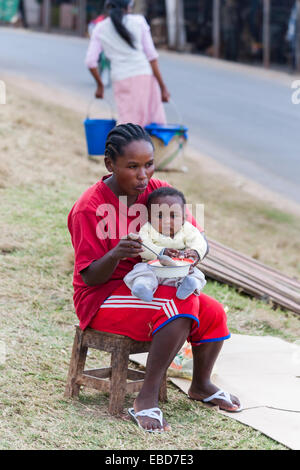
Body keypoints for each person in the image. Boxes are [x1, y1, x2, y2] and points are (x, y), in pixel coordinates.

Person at [68, 123, 242, 433]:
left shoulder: (156, 192)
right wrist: (115, 254)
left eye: (149, 164)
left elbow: (193, 234)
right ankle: (145, 399)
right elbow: (91, 278)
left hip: (155, 285)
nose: (143, 175)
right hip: (102, 298)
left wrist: (194, 254)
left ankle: (201, 384)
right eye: (132, 167)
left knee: (212, 311)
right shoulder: (89, 208)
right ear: (110, 164)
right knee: (181, 306)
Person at [85, 0, 170, 127]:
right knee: (151, 124)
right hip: (144, 76)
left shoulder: (100, 28)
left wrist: (100, 85)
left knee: (127, 126)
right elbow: (152, 57)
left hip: (121, 78)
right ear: (128, 7)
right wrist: (163, 87)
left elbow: (91, 62)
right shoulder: (139, 22)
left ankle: (124, 147)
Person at [123, 186, 207, 302]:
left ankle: (188, 285)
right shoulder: (147, 229)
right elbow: (143, 245)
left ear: (183, 218)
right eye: (160, 216)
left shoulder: (187, 228)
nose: (167, 221)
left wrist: (195, 252)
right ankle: (143, 287)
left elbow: (199, 241)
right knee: (140, 271)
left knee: (197, 274)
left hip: (179, 270)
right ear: (149, 217)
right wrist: (161, 252)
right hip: (152, 268)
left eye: (173, 216)